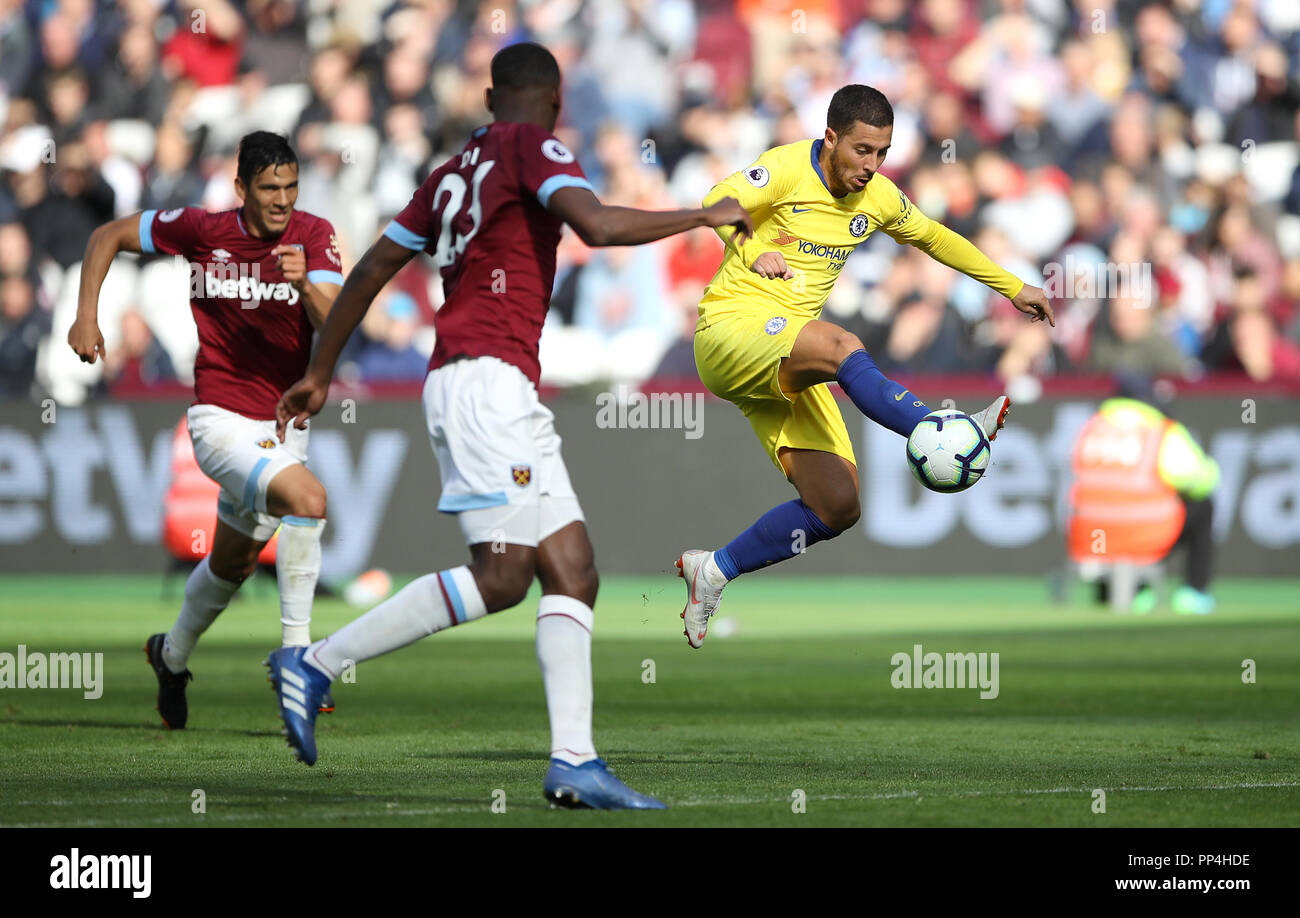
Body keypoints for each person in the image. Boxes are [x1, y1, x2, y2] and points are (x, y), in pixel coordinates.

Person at [267, 42, 752, 810]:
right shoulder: (534, 146)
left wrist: (323, 369)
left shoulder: (452, 172)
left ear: (490, 97)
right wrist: (702, 212)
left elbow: (366, 273)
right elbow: (593, 224)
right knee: (503, 576)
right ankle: (316, 660)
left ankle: (574, 762)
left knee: (573, 569)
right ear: (553, 104)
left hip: (492, 384)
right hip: (485, 383)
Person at [676, 84, 1055, 647]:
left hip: (787, 355)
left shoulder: (876, 197)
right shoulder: (784, 168)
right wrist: (756, 250)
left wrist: (1012, 287)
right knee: (841, 345)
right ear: (831, 138)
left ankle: (714, 571)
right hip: (730, 331)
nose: (872, 166)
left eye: (882, 153)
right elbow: (718, 203)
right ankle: (942, 429)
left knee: (837, 505)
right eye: (862, 151)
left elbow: (933, 237)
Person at [67, 132, 342, 728]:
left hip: (282, 426)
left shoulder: (314, 236)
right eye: (269, 188)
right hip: (219, 421)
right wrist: (87, 315)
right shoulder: (201, 230)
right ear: (240, 187)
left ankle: (169, 655)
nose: (282, 201)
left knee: (233, 565)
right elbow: (106, 235)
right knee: (310, 499)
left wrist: (304, 284)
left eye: (291, 187)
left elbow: (337, 324)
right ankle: (300, 658)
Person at [1067, 376, 1220, 615]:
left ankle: (1132, 590)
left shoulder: (1091, 427)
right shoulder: (1159, 430)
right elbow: (1199, 479)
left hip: (1091, 540)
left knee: (1114, 515)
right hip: (1141, 538)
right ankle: (1193, 593)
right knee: (1202, 505)